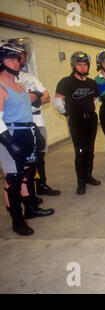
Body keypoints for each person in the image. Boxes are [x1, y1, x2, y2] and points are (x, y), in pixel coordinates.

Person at [0, 43, 54, 236]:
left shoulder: (19, 84)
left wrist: (35, 132)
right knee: (13, 179)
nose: (17, 62)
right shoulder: (0, 86)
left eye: (18, 58)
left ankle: (30, 209)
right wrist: (10, 144)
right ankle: (17, 220)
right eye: (11, 58)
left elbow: (30, 104)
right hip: (10, 136)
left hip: (27, 132)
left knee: (28, 174)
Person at [8, 38, 60, 196]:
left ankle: (41, 185)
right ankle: (27, 195)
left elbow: (47, 97)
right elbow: (15, 104)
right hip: (19, 125)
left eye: (22, 55)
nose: (21, 58)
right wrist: (32, 98)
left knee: (39, 156)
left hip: (38, 121)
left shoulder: (29, 77)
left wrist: (30, 99)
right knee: (24, 162)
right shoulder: (9, 80)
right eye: (17, 55)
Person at [54, 51, 101, 195]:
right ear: (73, 66)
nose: (82, 68)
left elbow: (95, 100)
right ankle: (81, 183)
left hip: (91, 120)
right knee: (80, 151)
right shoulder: (66, 82)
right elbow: (57, 102)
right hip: (76, 121)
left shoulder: (92, 83)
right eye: (79, 65)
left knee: (90, 150)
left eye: (85, 65)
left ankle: (88, 176)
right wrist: (68, 114)